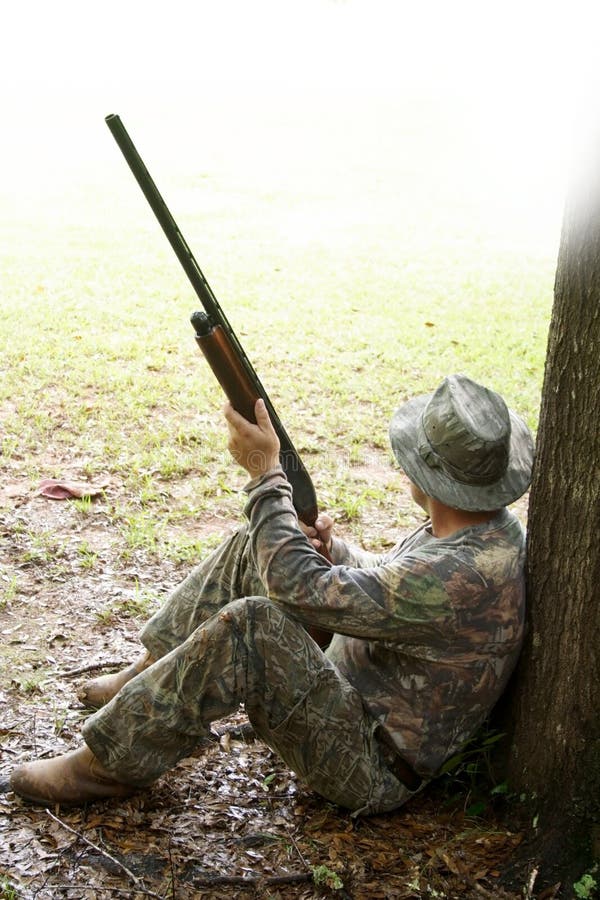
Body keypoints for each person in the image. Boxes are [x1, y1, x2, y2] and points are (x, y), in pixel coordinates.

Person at [10, 374, 534, 814]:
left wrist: (265, 476)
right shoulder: (482, 530)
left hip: (368, 764)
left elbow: (301, 587)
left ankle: (108, 765)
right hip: (351, 699)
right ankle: (147, 677)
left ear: (432, 475)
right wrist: (337, 552)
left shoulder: (468, 574)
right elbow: (393, 582)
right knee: (256, 543)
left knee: (254, 624)